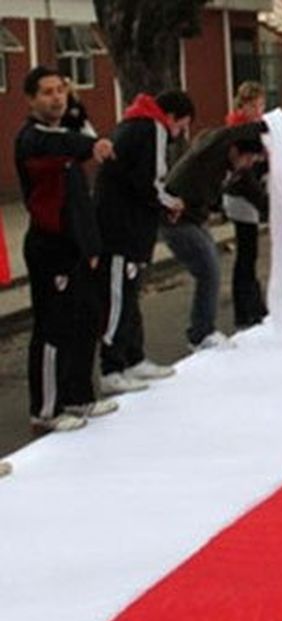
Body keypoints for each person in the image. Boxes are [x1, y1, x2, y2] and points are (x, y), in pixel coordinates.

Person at [15, 66, 117, 432]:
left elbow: (82, 145)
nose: (56, 97)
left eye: (61, 90)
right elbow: (68, 145)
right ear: (30, 99)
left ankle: (78, 396)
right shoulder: (33, 140)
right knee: (53, 329)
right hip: (50, 246)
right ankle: (45, 410)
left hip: (78, 245)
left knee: (86, 320)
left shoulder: (67, 132)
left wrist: (91, 245)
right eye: (47, 92)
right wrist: (91, 145)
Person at [95, 90, 193, 396]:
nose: (179, 134)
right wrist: (170, 203)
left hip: (129, 226)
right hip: (120, 229)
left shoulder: (133, 125)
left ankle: (133, 357)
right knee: (118, 298)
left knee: (130, 294)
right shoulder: (153, 128)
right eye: (182, 126)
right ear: (173, 117)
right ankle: (111, 368)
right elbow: (151, 180)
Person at [162, 124, 268, 351]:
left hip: (194, 218)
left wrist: (274, 212)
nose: (249, 165)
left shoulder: (237, 170)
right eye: (248, 158)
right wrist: (271, 125)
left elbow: (256, 195)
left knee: (211, 268)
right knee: (208, 269)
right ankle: (200, 333)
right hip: (175, 219)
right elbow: (227, 134)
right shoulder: (212, 150)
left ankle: (202, 330)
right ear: (234, 151)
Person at [224, 81, 270, 328]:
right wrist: (265, 206)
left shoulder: (246, 128)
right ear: (244, 105)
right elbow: (244, 171)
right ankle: (246, 310)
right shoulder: (240, 130)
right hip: (242, 197)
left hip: (246, 196)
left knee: (248, 254)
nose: (259, 110)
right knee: (246, 253)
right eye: (254, 105)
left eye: (261, 105)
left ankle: (252, 307)